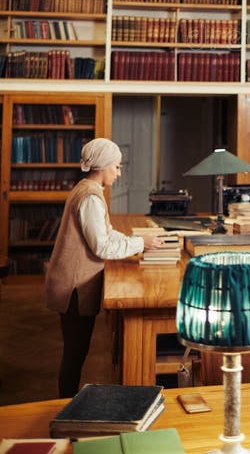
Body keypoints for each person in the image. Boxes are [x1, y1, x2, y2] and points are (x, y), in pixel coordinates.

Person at [44, 137, 164, 397]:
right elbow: (102, 246)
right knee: (75, 353)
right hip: (73, 287)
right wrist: (139, 243)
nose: (119, 173)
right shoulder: (91, 198)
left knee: (76, 351)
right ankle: (63, 407)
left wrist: (139, 242)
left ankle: (66, 404)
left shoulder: (87, 189)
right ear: (103, 166)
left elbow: (107, 233)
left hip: (71, 283)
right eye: (117, 167)